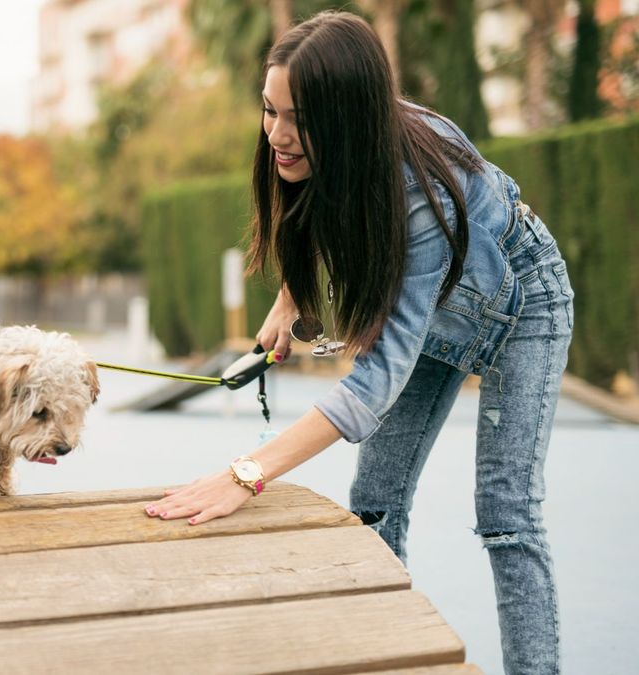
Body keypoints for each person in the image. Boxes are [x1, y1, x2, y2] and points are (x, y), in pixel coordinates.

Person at [144, 10, 572, 675]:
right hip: (436, 313)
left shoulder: (419, 195)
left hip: (522, 309)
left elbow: (372, 385)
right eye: (270, 110)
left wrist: (245, 474)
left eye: (300, 120)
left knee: (506, 513)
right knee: (374, 500)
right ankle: (386, 658)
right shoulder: (322, 145)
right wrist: (292, 301)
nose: (279, 135)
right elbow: (313, 212)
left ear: (344, 118)